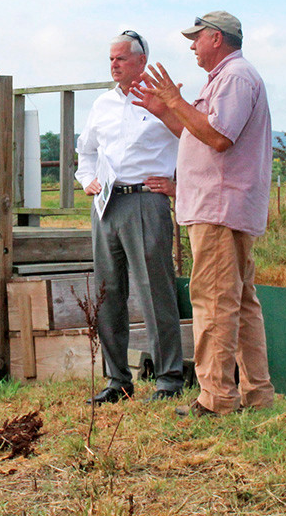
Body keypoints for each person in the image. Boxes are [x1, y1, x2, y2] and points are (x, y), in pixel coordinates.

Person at [133, 12, 275, 417]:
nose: (192, 45)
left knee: (213, 302)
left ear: (216, 38)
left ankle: (215, 399)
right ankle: (256, 393)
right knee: (241, 302)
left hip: (219, 207)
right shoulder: (229, 78)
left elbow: (218, 137)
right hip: (224, 207)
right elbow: (200, 135)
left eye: (196, 38)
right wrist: (166, 113)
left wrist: (176, 101)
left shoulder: (234, 78)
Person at [76, 31, 185, 404]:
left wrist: (177, 183)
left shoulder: (161, 102)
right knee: (109, 294)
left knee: (156, 291)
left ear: (141, 61)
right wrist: (87, 180)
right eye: (111, 59)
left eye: (121, 58)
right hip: (107, 203)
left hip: (146, 200)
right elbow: (86, 152)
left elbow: (193, 142)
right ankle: (117, 380)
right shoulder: (102, 105)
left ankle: (169, 378)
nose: (114, 65)